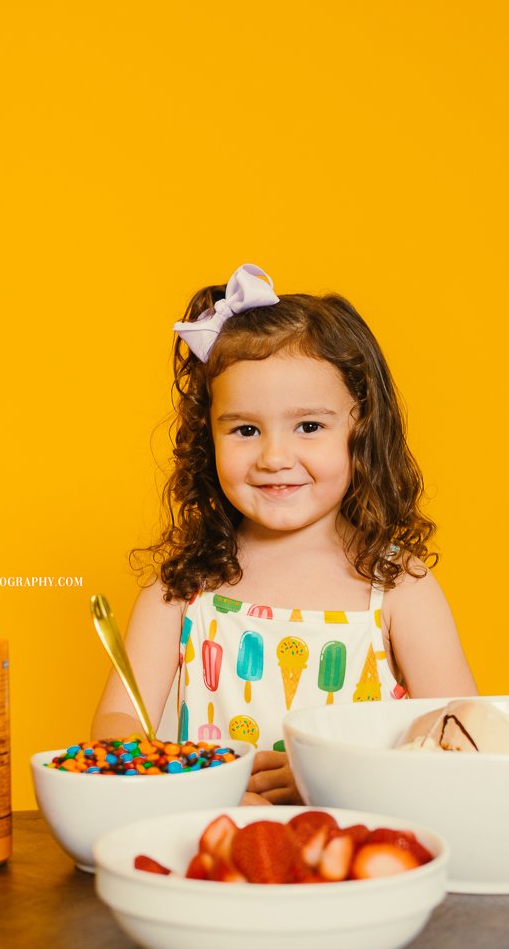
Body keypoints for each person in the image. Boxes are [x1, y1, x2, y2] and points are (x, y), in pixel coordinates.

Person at [92, 263, 477, 802]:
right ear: (209, 435)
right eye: (246, 429)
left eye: (309, 427)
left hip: (355, 856)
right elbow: (116, 718)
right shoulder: (181, 588)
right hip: (214, 859)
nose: (275, 458)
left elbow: (458, 731)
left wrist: (329, 778)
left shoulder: (396, 585)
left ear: (358, 428)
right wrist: (189, 786)